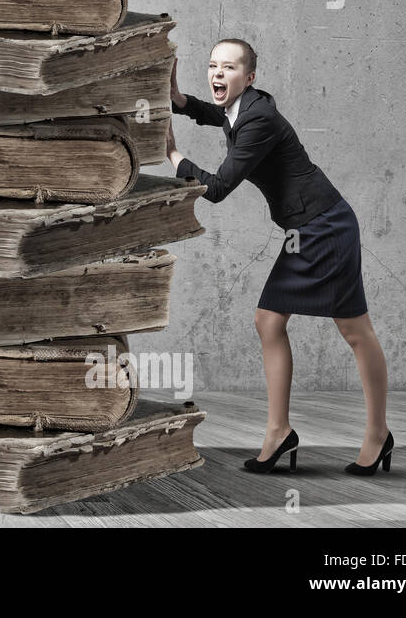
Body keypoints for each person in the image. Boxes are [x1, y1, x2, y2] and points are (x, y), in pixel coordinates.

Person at [165, 39, 393, 476]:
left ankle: (375, 435)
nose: (217, 74)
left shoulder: (258, 118)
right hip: (310, 227)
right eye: (213, 65)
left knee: (353, 331)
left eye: (229, 68)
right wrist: (180, 101)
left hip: (324, 228)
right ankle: (280, 431)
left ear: (248, 78)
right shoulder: (244, 107)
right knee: (279, 322)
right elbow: (221, 115)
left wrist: (175, 156)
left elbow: (214, 189)